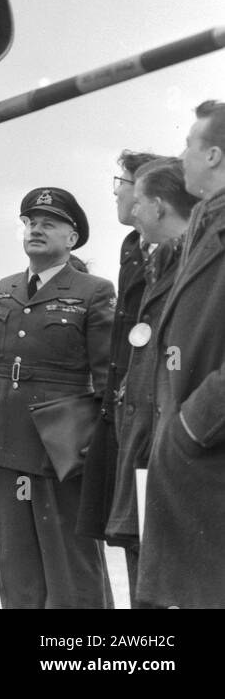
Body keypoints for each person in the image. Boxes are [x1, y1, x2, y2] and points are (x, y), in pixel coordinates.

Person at [0, 187, 114, 609]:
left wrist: (100, 442)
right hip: (6, 440)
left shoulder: (93, 291)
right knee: (16, 559)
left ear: (72, 237)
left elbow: (106, 375)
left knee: (69, 557)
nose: (36, 230)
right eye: (30, 222)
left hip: (62, 445)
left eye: (48, 223)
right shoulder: (6, 289)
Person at [138, 100, 225, 608]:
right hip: (194, 463)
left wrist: (193, 425)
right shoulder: (206, 226)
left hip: (208, 453)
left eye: (189, 145)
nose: (182, 157)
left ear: (213, 155)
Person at [107, 158, 197, 606]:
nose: (133, 212)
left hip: (176, 441)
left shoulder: (195, 264)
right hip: (147, 441)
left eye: (138, 201)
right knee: (148, 581)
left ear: (159, 207)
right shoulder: (158, 262)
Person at [75, 151, 162, 581]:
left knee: (157, 548)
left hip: (155, 416)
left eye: (121, 183)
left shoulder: (170, 250)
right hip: (123, 417)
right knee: (132, 539)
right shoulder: (133, 248)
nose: (116, 193)